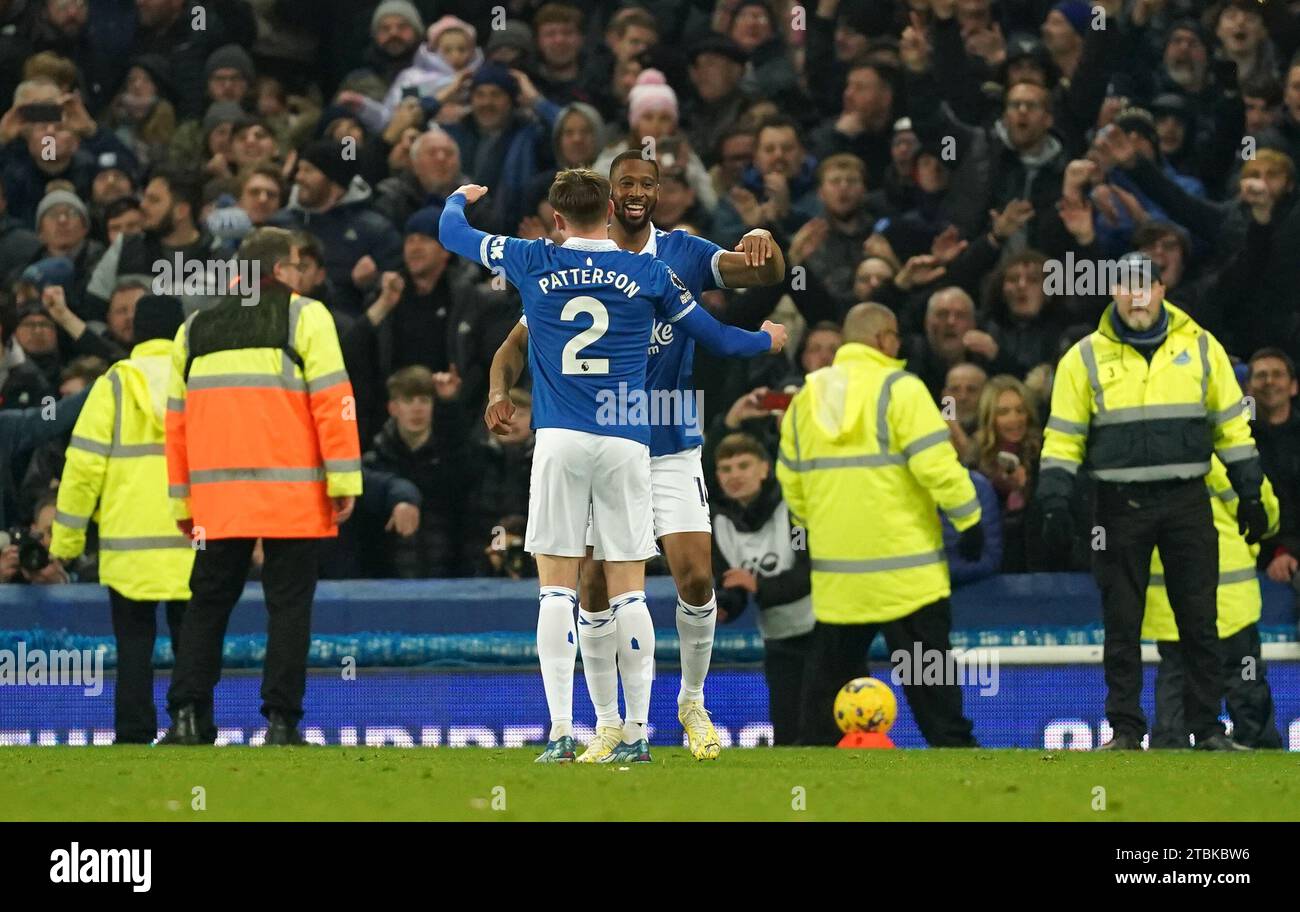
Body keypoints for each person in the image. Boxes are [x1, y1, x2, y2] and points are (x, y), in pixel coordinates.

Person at [440, 168, 785, 763]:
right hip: (624, 437)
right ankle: (625, 730)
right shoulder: (648, 274)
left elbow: (453, 232)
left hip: (627, 438)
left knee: (591, 586)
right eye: (624, 183)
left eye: (646, 183)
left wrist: (458, 198)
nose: (636, 193)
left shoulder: (542, 261)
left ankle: (587, 726)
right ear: (609, 207)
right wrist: (770, 341)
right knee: (615, 588)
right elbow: (723, 338)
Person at [1038, 252, 1265, 751]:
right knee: (1122, 624)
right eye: (1125, 287)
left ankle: (1207, 730)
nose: (1135, 296)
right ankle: (1124, 730)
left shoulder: (1203, 348)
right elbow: (1063, 437)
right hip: (1118, 506)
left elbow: (1231, 427)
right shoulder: (1084, 357)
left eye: (1145, 286)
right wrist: (1052, 500)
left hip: (1188, 500)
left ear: (1163, 290)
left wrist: (1250, 491)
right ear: (1112, 293)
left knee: (1199, 621)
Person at [159, 227, 362, 746]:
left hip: (217, 497)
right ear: (284, 268)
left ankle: (186, 716)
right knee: (288, 607)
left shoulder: (195, 327)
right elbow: (333, 404)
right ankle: (280, 721)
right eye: (299, 264)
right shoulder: (305, 316)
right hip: (291, 495)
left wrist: (182, 497)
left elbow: (175, 423)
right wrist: (344, 480)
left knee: (206, 603)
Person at [777, 302, 981, 748]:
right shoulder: (901, 389)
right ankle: (961, 767)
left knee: (824, 702)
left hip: (840, 581)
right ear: (881, 338)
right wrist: (970, 519)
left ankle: (808, 773)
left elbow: (790, 481)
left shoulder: (806, 399)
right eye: (895, 338)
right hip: (908, 578)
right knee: (935, 700)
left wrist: (821, 527)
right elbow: (938, 466)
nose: (899, 345)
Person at [48, 294, 197, 744]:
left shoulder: (113, 385)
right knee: (194, 643)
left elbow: (83, 468)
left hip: (128, 548)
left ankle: (133, 732)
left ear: (134, 332)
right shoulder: (198, 381)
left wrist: (67, 544)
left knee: (134, 646)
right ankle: (194, 723)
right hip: (193, 540)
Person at [1144, 458, 1283, 749]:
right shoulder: (1222, 460)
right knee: (1243, 681)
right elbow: (1265, 515)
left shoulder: (1147, 462)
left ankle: (1169, 753)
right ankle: (1256, 746)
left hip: (1172, 604)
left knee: (1177, 680)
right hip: (1229, 601)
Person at [710, 432, 813, 745]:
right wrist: (725, 606)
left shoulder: (793, 508)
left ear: (765, 469)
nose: (735, 475)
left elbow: (811, 571)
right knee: (788, 734)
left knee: (821, 731)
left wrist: (759, 585)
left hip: (823, 633)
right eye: (726, 469)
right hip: (778, 639)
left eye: (744, 465)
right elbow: (732, 582)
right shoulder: (721, 523)